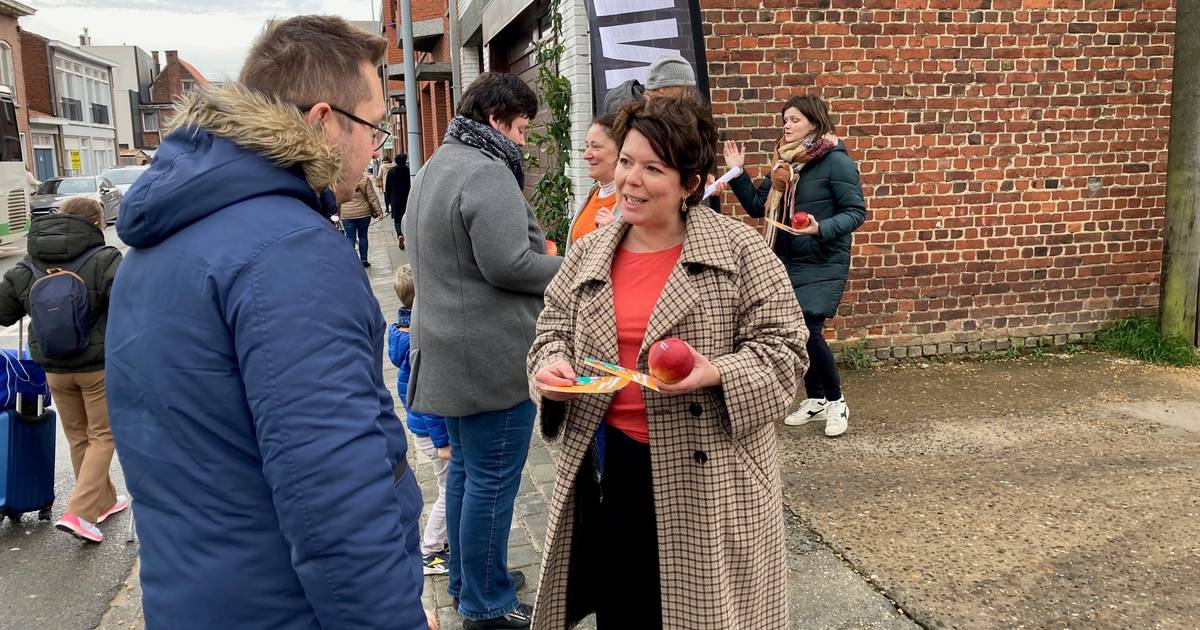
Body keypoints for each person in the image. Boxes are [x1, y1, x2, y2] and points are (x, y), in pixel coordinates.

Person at [105, 16, 430, 629]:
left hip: (196, 598)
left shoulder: (160, 241)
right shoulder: (289, 250)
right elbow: (334, 492)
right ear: (323, 121)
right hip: (288, 607)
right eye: (374, 128)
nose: (375, 150)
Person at [528, 97, 808, 629]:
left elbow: (786, 352)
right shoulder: (590, 252)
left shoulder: (741, 252)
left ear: (690, 183)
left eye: (653, 168)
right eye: (626, 161)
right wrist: (552, 369)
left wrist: (717, 372)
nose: (631, 180)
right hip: (610, 466)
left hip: (711, 477)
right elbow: (551, 331)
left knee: (699, 612)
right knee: (624, 611)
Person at [404, 71, 562, 630]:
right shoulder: (486, 170)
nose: (522, 140)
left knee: (468, 476)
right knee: (491, 483)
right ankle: (487, 604)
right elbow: (509, 264)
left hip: (446, 355)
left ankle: (470, 579)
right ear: (495, 120)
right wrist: (574, 265)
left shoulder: (434, 167)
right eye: (519, 128)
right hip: (489, 359)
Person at [721, 94, 866, 437]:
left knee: (809, 331)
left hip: (822, 258)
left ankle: (837, 401)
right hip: (785, 259)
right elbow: (758, 206)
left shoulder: (836, 162)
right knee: (797, 333)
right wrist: (737, 173)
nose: (786, 126)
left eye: (794, 120)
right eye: (785, 120)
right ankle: (816, 398)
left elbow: (856, 212)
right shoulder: (785, 162)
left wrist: (820, 228)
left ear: (814, 122)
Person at [0, 197, 127, 543]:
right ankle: (79, 513)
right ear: (97, 224)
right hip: (97, 367)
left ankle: (103, 502)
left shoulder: (28, 263)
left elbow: (4, 313)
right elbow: (129, 307)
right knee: (103, 435)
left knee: (79, 436)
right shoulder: (106, 258)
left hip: (53, 368)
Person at [387, 264, 451, 576]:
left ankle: (441, 539)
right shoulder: (419, 344)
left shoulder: (399, 332)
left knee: (446, 486)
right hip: (432, 432)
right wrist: (443, 443)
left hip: (421, 429)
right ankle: (431, 550)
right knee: (449, 490)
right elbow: (429, 399)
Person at [568, 112, 619, 245]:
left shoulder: (632, 204)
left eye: (595, 147)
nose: (586, 155)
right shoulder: (592, 195)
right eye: (587, 146)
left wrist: (615, 237)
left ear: (621, 150)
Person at [341, 173, 383, 266]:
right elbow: (372, 197)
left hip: (347, 214)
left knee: (349, 237)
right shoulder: (364, 179)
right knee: (363, 236)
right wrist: (379, 211)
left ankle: (351, 261)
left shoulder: (340, 180)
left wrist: (335, 213)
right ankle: (364, 260)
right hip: (363, 214)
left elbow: (336, 198)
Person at [386, 152, 411, 248]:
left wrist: (388, 201)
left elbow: (387, 188)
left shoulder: (391, 172)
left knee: (397, 219)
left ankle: (400, 235)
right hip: (407, 198)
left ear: (396, 161)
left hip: (395, 198)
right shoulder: (408, 171)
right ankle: (407, 235)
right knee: (407, 217)